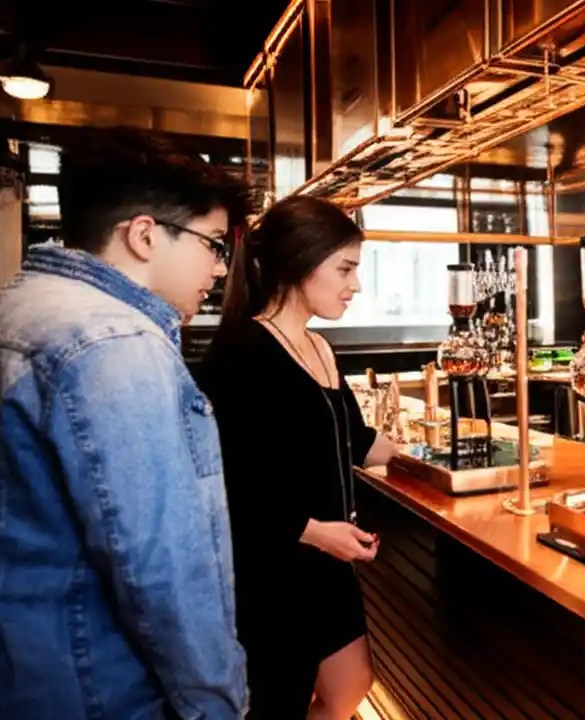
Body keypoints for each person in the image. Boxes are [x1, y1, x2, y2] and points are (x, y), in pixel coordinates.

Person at [0, 128, 249, 717]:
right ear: (143, 234)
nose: (218, 268)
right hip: (99, 687)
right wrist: (218, 703)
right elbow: (163, 568)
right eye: (213, 243)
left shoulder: (15, 306)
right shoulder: (115, 342)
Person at [197, 195, 395, 719]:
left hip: (326, 563)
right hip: (273, 565)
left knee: (351, 686)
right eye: (345, 269)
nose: (355, 285)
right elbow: (226, 482)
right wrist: (312, 531)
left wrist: (438, 459)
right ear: (299, 263)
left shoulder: (320, 348)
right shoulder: (242, 353)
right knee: (276, 700)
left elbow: (355, 439)